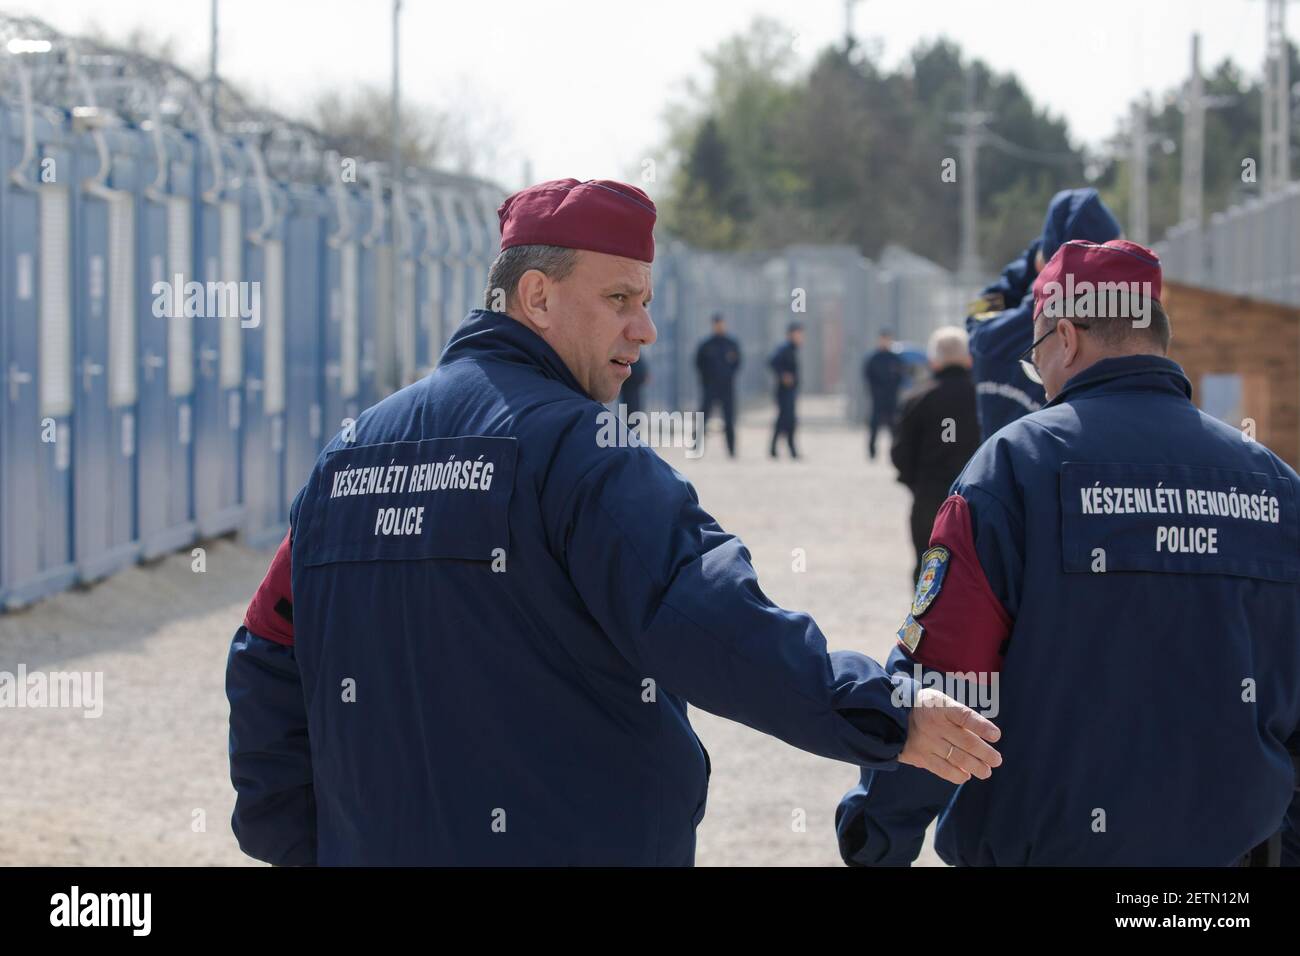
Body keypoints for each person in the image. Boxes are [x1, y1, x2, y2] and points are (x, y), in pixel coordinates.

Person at [226, 178, 1001, 867]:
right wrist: (881, 708)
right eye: (619, 300)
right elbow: (711, 619)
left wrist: (308, 842)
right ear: (536, 297)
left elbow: (265, 654)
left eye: (647, 302)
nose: (645, 330)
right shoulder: (578, 448)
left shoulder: (350, 457)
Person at [836, 239, 1300, 866]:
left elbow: (949, 684)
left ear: (1065, 338)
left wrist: (878, 831)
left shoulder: (1013, 467)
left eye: (1035, 359)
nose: (1041, 377)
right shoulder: (1275, 484)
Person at [966, 188, 1120, 442]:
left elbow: (978, 307)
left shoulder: (991, 333)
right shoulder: (1109, 334)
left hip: (1000, 468)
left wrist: (1033, 261)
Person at [890, 327, 979, 584]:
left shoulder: (917, 398)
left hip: (930, 499)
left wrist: (917, 483)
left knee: (927, 570)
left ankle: (926, 625)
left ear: (933, 361)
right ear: (969, 359)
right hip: (977, 502)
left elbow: (900, 455)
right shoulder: (982, 398)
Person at [694, 314, 741, 457]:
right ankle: (696, 448)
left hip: (727, 387)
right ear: (713, 325)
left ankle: (731, 450)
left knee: (729, 419)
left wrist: (729, 376)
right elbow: (698, 363)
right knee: (703, 417)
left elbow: (738, 362)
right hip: (710, 387)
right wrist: (705, 379)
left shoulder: (731, 344)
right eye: (717, 324)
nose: (719, 326)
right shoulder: (706, 345)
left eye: (721, 324)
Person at [863, 330, 905, 460]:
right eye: (883, 339)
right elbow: (868, 376)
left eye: (888, 339)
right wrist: (875, 390)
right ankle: (872, 451)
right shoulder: (873, 358)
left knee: (894, 426)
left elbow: (901, 376)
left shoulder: (895, 358)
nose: (885, 342)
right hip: (878, 397)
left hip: (892, 397)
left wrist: (894, 389)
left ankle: (895, 452)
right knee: (874, 425)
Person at [769, 322, 802, 459]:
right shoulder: (784, 349)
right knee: (785, 420)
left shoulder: (793, 349)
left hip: (791, 391)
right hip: (784, 392)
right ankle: (779, 449)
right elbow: (772, 362)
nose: (800, 337)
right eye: (798, 334)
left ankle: (784, 449)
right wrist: (783, 375)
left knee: (788, 420)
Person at [620, 353, 649, 418]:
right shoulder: (632, 357)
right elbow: (639, 373)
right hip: (630, 393)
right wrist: (644, 377)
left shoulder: (632, 355)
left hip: (630, 392)